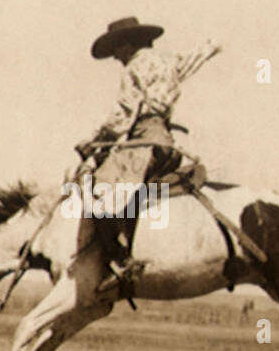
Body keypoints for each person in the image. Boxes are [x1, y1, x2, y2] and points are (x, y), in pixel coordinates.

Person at [75, 17, 221, 294]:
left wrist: (95, 140)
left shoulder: (134, 67)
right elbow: (196, 58)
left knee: (96, 189)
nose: (116, 58)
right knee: (130, 193)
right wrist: (212, 46)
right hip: (168, 146)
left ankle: (120, 262)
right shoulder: (170, 61)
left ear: (127, 45)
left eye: (116, 51)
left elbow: (123, 114)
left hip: (144, 143)